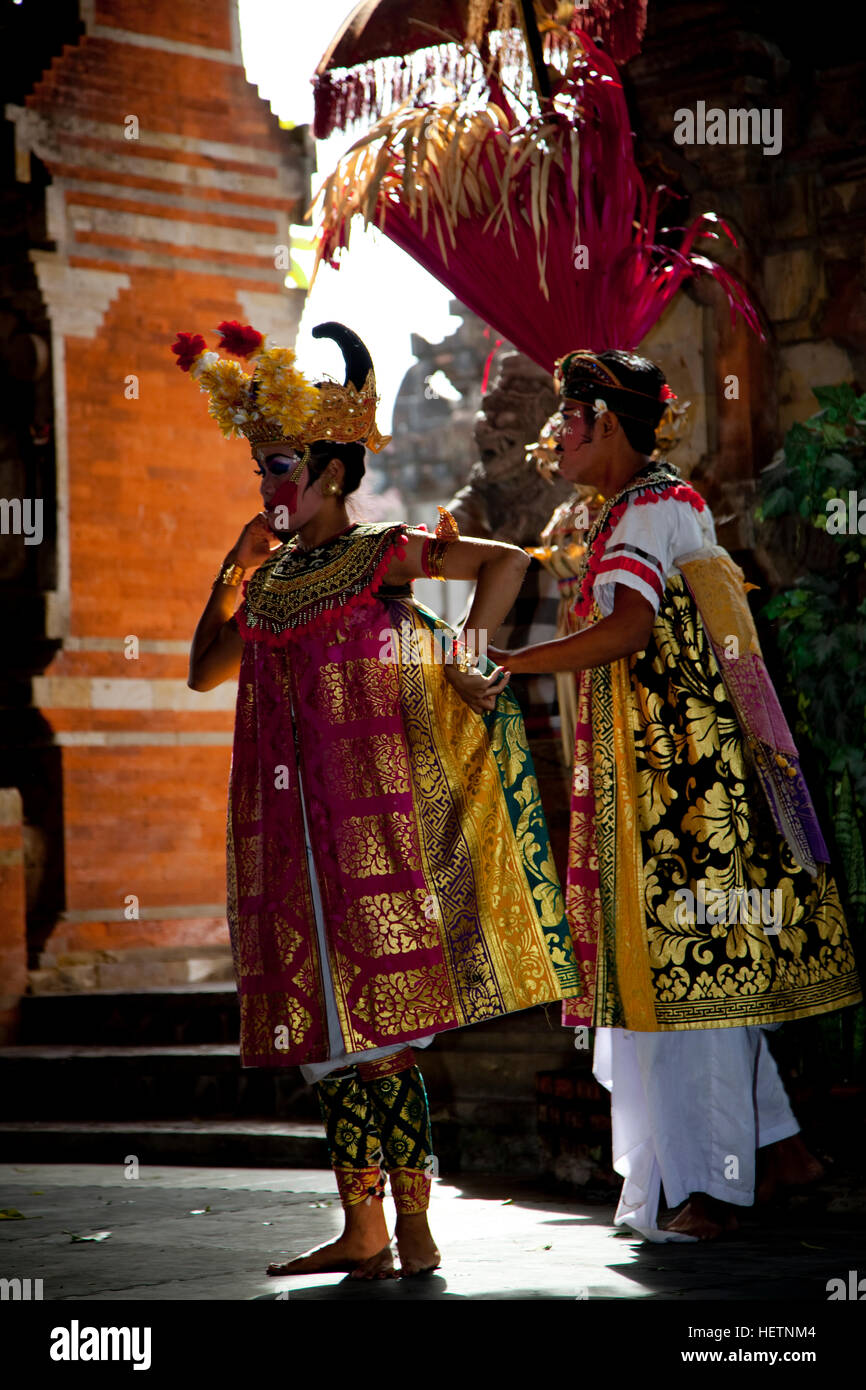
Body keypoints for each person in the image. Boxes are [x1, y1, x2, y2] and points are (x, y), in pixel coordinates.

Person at [174, 318, 581, 1277]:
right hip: (287, 832)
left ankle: (418, 1226)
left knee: (385, 1031)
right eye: (262, 470)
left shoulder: (379, 554)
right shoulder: (266, 582)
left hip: (372, 821)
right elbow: (201, 669)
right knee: (327, 1036)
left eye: (281, 469)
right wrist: (236, 561)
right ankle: (362, 1230)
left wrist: (474, 660)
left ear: (331, 474)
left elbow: (506, 564)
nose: (268, 487)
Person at [488, 348, 862, 1241]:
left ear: (607, 422)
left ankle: (715, 1191)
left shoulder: (648, 508)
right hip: (675, 783)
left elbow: (630, 627)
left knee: (684, 980)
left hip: (679, 792)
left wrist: (515, 663)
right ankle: (775, 1153)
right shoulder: (637, 506)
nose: (556, 436)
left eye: (568, 418)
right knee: (695, 972)